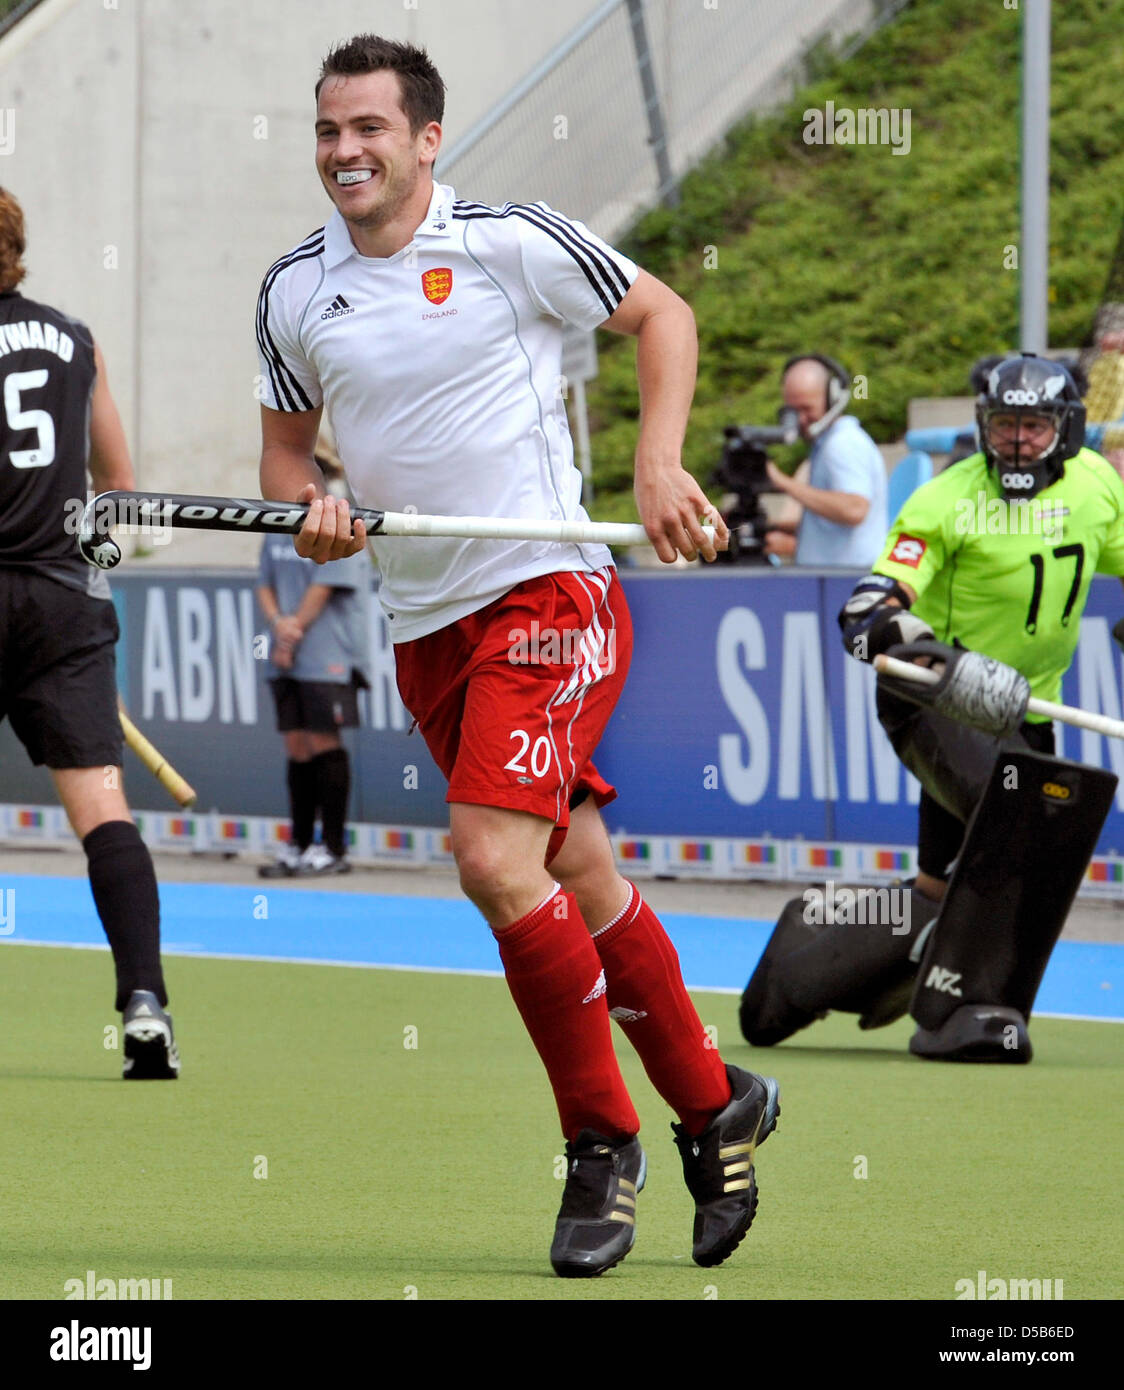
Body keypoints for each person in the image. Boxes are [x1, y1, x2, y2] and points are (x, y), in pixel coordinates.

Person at [254, 34, 781, 1277]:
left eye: (369, 129)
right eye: (329, 131)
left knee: (490, 855)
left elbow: (662, 312)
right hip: (425, 622)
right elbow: (283, 458)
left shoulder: (509, 241)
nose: (345, 152)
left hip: (548, 591)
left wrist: (657, 460)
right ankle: (713, 1103)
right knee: (577, 869)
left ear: (425, 139)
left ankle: (601, 1143)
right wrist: (310, 506)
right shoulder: (290, 289)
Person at [741, 352, 1124, 1062]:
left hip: (1029, 714)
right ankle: (963, 1010)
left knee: (942, 880)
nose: (1016, 441)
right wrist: (939, 658)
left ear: (1065, 429)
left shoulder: (1099, 486)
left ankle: (802, 965)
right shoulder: (945, 499)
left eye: (1033, 427)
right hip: (932, 702)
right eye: (1004, 425)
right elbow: (867, 613)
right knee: (1017, 832)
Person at [0, 186, 178, 1079]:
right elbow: (121, 487)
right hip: (64, 603)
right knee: (102, 809)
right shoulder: (76, 338)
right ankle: (144, 1001)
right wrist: (82, 578)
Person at [256, 527, 371, 877]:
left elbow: (323, 587)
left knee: (323, 741)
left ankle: (333, 848)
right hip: (284, 655)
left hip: (328, 656)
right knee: (296, 744)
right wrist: (278, 624)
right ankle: (300, 843)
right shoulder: (275, 529)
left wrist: (289, 635)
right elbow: (264, 584)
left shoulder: (339, 525)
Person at [762, 353, 888, 565]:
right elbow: (829, 521)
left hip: (842, 586)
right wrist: (773, 527)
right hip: (828, 583)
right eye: (793, 410)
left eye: (807, 408)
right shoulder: (827, 444)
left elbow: (854, 509)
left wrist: (781, 481)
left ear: (833, 399)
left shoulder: (842, 445)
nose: (800, 419)